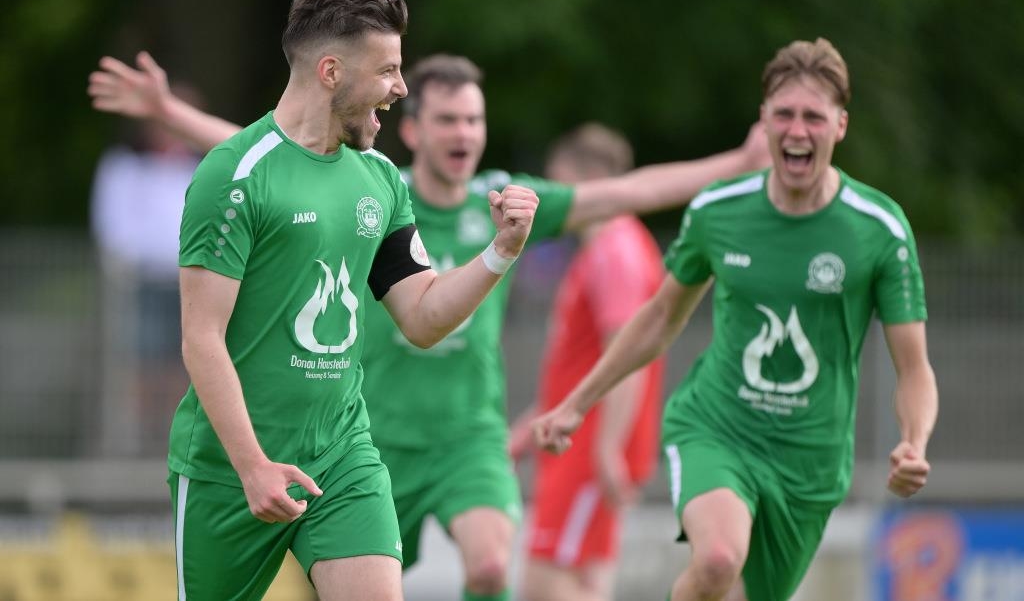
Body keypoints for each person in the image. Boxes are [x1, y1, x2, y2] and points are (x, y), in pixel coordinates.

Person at [88, 50, 768, 600]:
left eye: (474, 120)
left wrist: (738, 165)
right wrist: (170, 114)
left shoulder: (497, 200)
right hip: (379, 428)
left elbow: (622, 193)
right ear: (416, 129)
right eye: (448, 119)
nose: (464, 134)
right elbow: (269, 156)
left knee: (490, 568)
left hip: (457, 439)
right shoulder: (376, 181)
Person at [116, 0, 541, 601]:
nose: (401, 89)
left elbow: (422, 317)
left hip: (342, 455)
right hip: (229, 469)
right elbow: (200, 339)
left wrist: (499, 254)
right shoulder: (234, 176)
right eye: (389, 71)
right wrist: (252, 465)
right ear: (332, 71)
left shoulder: (379, 179)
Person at [532, 37, 939, 601]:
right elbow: (657, 320)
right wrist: (578, 403)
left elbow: (913, 367)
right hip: (716, 429)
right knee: (719, 560)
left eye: (813, 117)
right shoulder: (719, 210)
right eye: (785, 115)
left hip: (810, 463)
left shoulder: (879, 229)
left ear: (840, 126)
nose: (798, 131)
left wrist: (914, 442)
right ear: (764, 123)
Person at [507, 123, 666, 601]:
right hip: (578, 443)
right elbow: (581, 370)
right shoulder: (605, 249)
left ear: (588, 179)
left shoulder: (615, 252)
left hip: (588, 450)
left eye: (557, 186)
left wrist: (608, 448)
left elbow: (629, 358)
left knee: (544, 584)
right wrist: (520, 437)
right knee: (586, 581)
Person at [90, 89, 202, 454]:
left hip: (191, 284)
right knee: (141, 363)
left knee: (184, 363)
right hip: (141, 283)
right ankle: (134, 442)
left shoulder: (201, 168)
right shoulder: (126, 167)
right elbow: (114, 228)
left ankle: (173, 440)